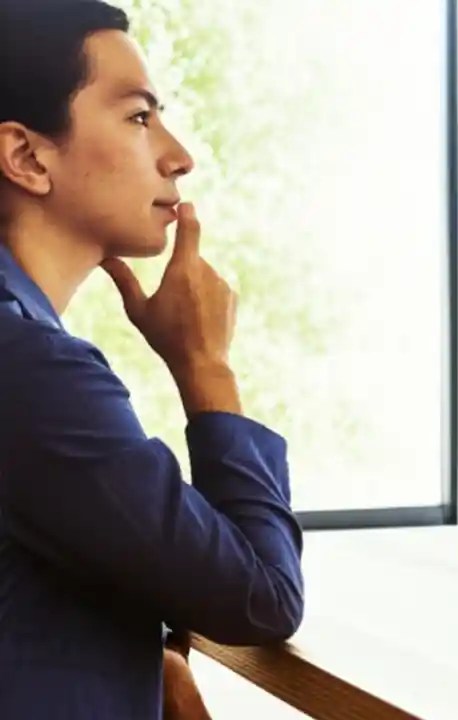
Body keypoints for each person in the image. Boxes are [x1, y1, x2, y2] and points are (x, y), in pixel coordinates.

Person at [0, 1, 305, 717]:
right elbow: (262, 597)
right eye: (139, 117)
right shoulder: (27, 366)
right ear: (26, 157)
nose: (179, 155)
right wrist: (206, 367)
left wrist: (158, 658)